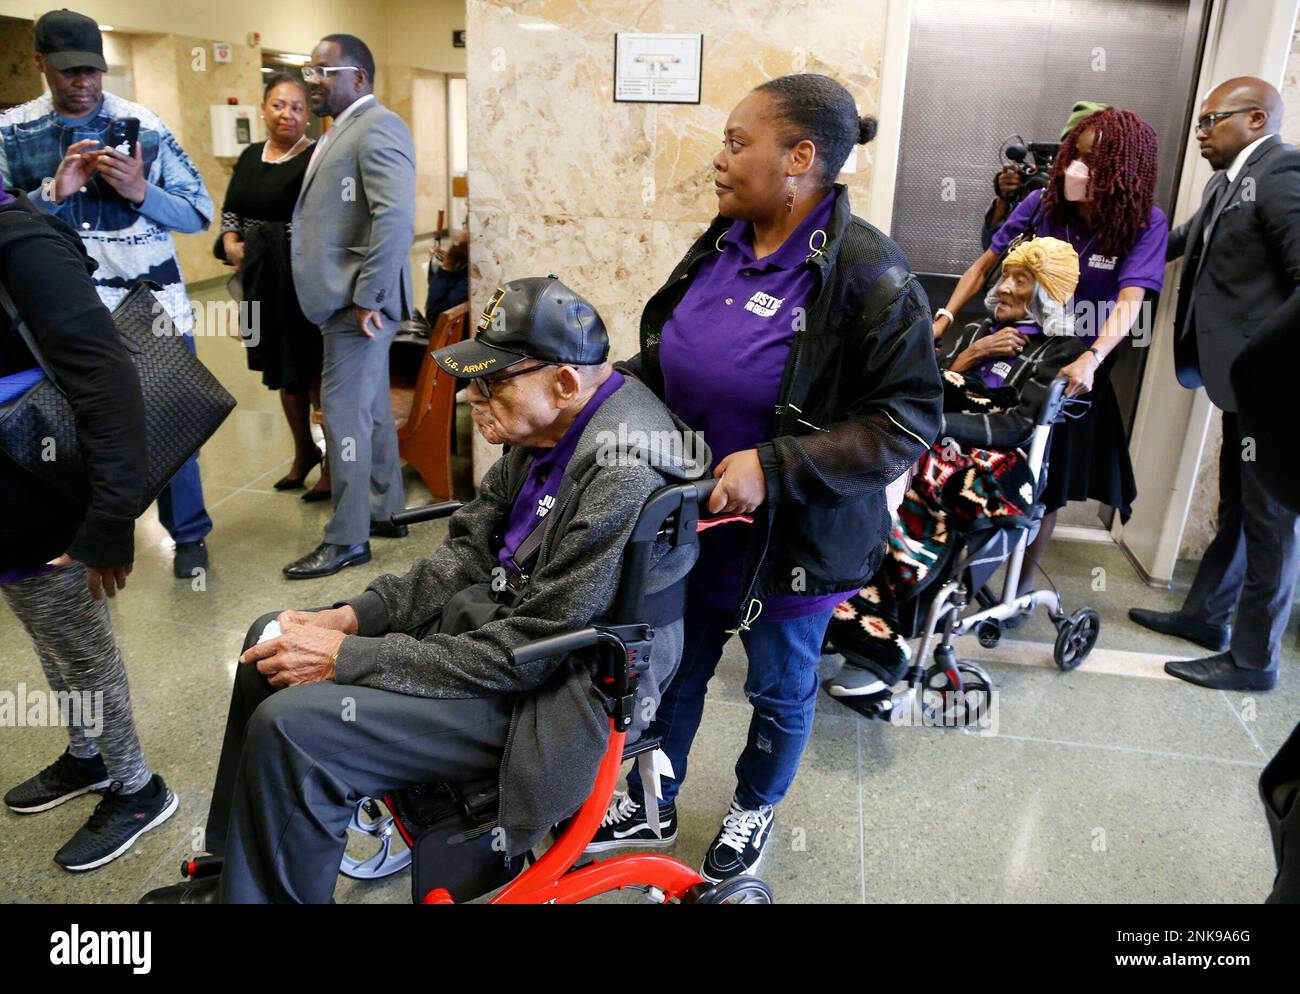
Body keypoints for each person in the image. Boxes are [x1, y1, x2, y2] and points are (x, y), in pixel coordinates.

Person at [139, 277, 710, 903]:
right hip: (498, 637)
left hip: (558, 691)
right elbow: (466, 554)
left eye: (491, 383)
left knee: (296, 727)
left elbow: (533, 651)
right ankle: (236, 878)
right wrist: (352, 619)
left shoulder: (621, 472)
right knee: (270, 641)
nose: (472, 395)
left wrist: (351, 659)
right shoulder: (546, 427)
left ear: (565, 382)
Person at [587, 74, 944, 883]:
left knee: (780, 688)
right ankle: (654, 791)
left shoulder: (868, 272)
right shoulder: (724, 237)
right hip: (693, 520)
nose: (717, 159)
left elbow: (908, 422)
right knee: (675, 668)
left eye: (737, 142)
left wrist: (776, 466)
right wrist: (598, 393)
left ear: (801, 158)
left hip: (797, 541)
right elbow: (672, 357)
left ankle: (756, 804)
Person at [825, 236, 1085, 715]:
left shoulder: (1062, 352)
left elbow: (1015, 427)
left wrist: (933, 426)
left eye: (1020, 280)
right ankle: (841, 611)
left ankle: (876, 651)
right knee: (869, 474)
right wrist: (968, 360)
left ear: (1047, 291)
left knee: (922, 485)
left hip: (996, 470)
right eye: (1004, 275)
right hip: (937, 449)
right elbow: (927, 390)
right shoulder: (974, 333)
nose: (1004, 287)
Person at [0, 9, 215, 580]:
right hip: (54, 317)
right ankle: (74, 538)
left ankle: (188, 534)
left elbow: (199, 214)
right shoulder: (12, 130)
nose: (83, 82)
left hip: (152, 306)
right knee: (61, 431)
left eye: (92, 70)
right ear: (41, 63)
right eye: (69, 71)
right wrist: (51, 192)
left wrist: (142, 190)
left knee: (175, 422)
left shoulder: (143, 123)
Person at [0, 175, 176, 871]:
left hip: (47, 483)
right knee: (49, 635)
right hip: (12, 488)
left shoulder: (23, 243)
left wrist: (110, 521)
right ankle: (87, 757)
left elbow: (108, 377)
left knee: (80, 643)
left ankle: (136, 787)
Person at [933, 106, 1167, 601]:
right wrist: (947, 316)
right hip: (1015, 349)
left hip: (1076, 361)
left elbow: (1131, 300)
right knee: (985, 454)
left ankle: (1018, 590)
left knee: (1048, 478)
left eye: (1094, 163)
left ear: (1124, 169)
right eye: (1074, 158)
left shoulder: (1144, 222)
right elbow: (986, 264)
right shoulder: (1042, 204)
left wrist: (1094, 356)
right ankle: (946, 570)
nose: (1078, 171)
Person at [1128, 77, 1300, 692]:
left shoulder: (1282, 173)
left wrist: (1263, 360)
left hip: (1278, 391)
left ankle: (1254, 662)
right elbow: (1179, 243)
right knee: (1241, 508)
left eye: (1210, 122)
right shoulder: (1226, 181)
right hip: (1242, 388)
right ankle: (1207, 618)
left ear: (1256, 119)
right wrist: (1115, 238)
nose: (1199, 133)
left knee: (1272, 523)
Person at [283, 33, 415, 579]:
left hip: (355, 304)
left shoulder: (377, 125)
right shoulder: (343, 130)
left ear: (358, 77)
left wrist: (368, 296)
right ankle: (385, 511)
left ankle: (346, 540)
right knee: (371, 412)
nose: (313, 81)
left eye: (323, 72)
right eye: (310, 72)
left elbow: (395, 217)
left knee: (343, 423)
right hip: (344, 301)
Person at [217, 73, 331, 499]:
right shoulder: (249, 156)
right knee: (284, 374)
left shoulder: (318, 157)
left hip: (302, 280)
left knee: (315, 371)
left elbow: (325, 220)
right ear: (263, 109)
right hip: (261, 282)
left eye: (298, 107)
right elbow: (232, 210)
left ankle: (332, 462)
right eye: (280, 105)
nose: (288, 114)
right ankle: (302, 453)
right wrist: (230, 240)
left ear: (308, 117)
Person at [980, 101, 1108, 249]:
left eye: (1090, 157)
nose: (1078, 166)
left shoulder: (1128, 219)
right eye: (1072, 153)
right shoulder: (1039, 199)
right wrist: (1004, 200)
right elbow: (993, 247)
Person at [425, 228, 469, 321]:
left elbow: (434, 314)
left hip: (442, 326)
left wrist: (447, 263)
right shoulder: (466, 277)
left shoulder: (460, 280)